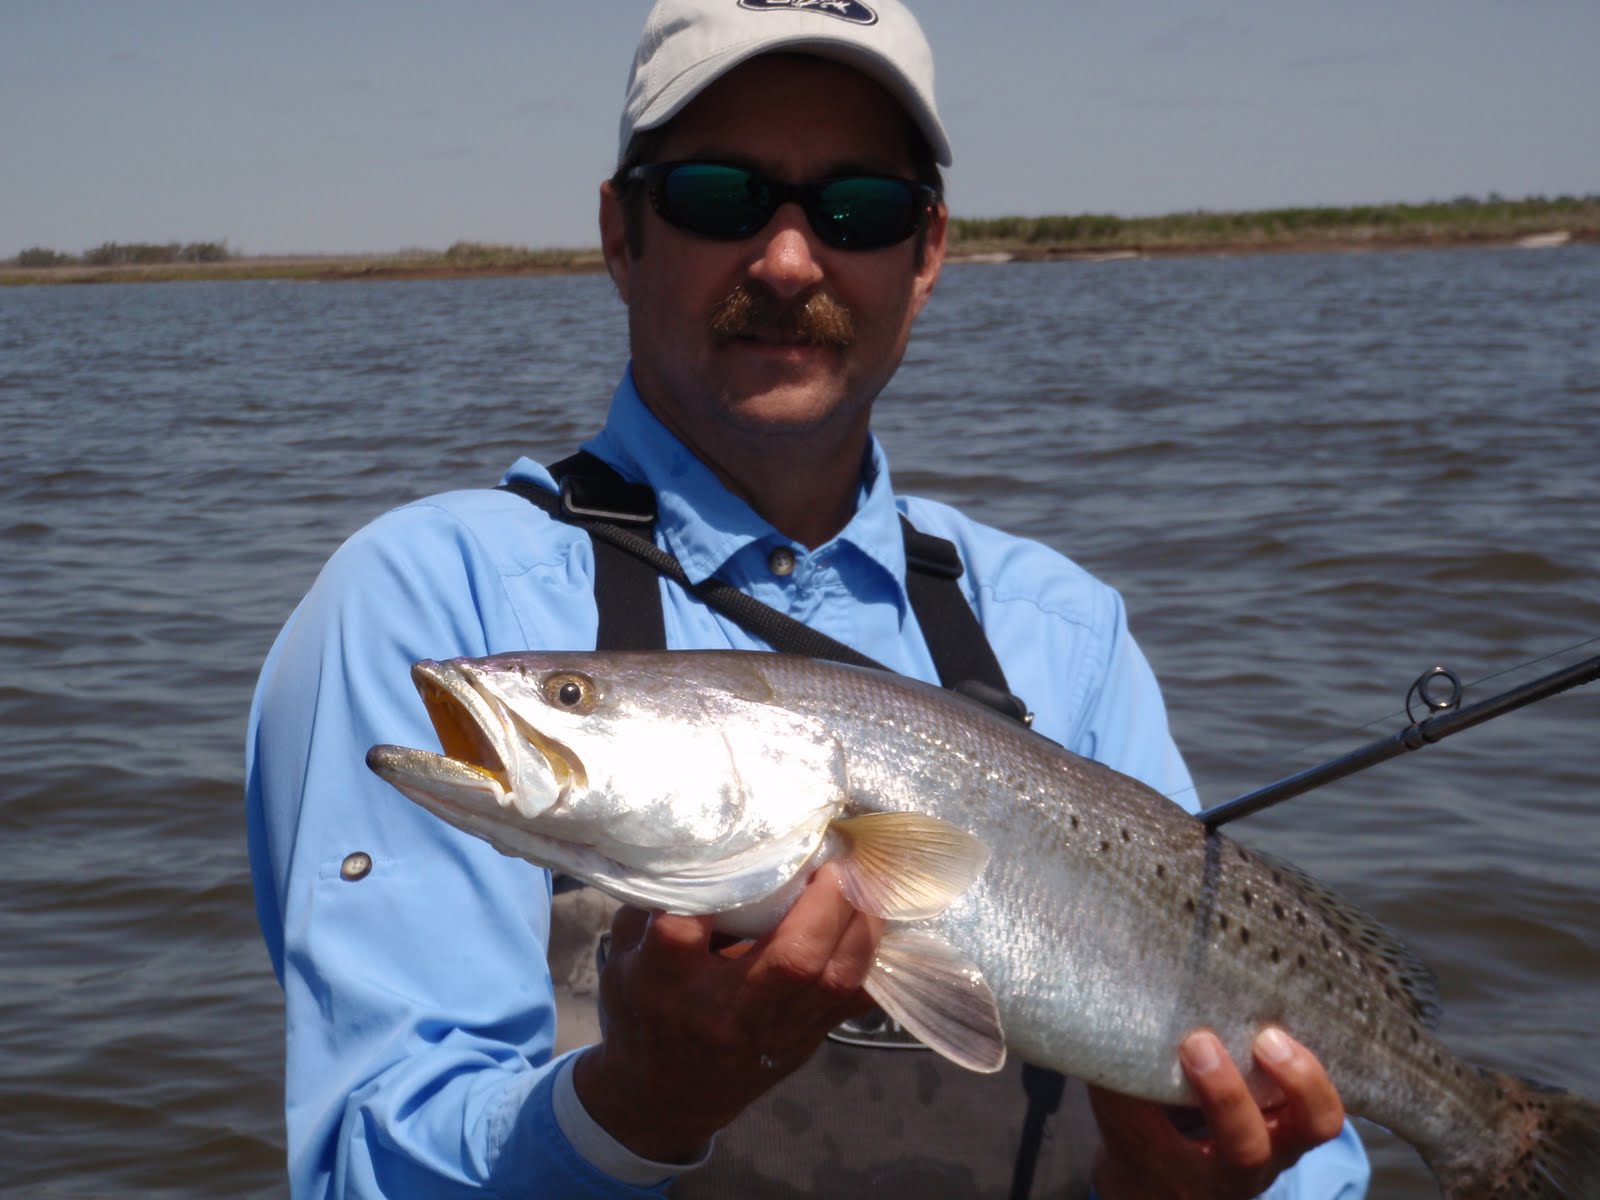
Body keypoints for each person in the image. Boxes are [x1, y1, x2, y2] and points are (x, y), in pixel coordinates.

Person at [246, 1, 1372, 1196]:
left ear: (925, 255)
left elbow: (1308, 1162)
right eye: (719, 197)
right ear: (621, 235)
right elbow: (365, 1161)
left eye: (858, 210)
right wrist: (629, 1111)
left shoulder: (1063, 630)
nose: (787, 263)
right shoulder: (431, 602)